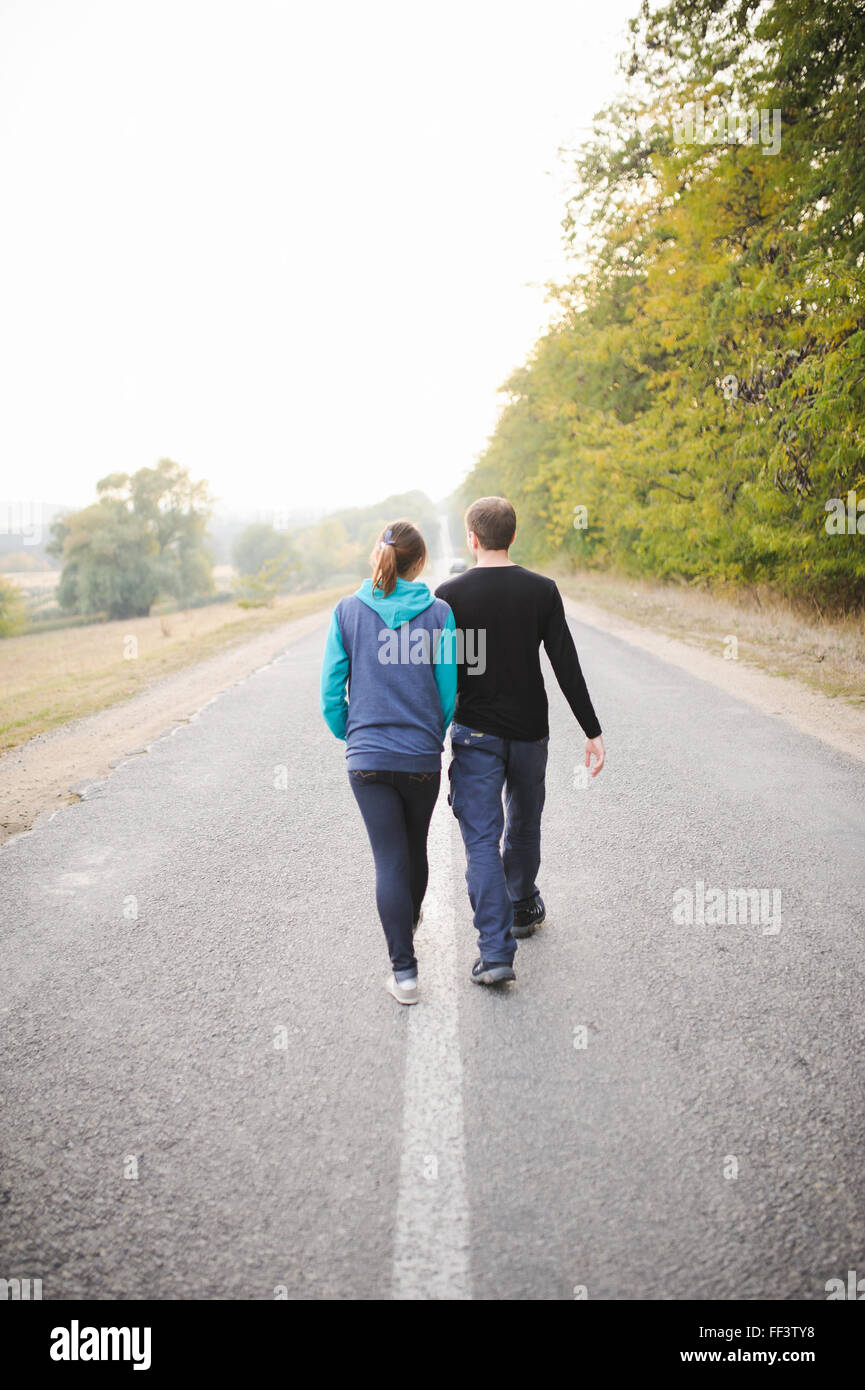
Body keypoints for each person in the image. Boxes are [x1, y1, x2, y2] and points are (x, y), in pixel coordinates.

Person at [435, 496, 605, 986]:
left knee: (483, 839)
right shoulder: (541, 591)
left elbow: (442, 674)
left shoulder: (450, 595)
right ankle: (521, 904)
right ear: (512, 536)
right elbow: (564, 664)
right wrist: (591, 731)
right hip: (531, 731)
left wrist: (426, 734)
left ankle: (495, 950)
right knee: (525, 822)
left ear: (472, 538)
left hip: (475, 732)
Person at [320, 519, 457, 1005]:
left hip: (366, 758)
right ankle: (407, 926)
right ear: (419, 563)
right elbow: (448, 691)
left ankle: (404, 972)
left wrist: (350, 733)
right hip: (419, 755)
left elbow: (330, 692)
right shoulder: (440, 613)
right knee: (414, 849)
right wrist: (431, 735)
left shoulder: (346, 612)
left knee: (389, 858)